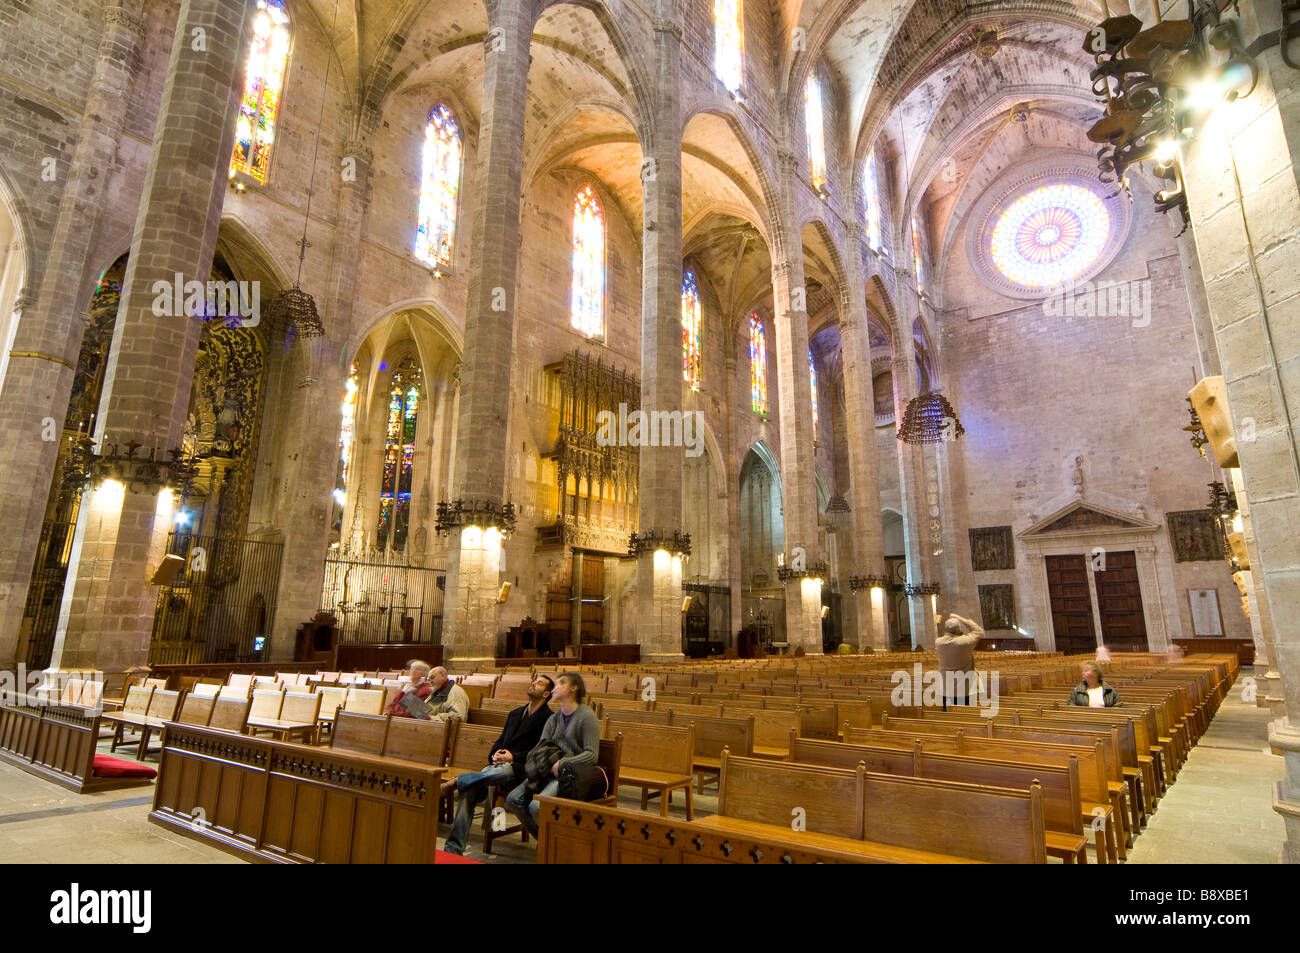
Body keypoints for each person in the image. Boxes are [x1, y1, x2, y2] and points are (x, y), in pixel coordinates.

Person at [443, 675, 555, 856]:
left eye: (539, 683)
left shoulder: (549, 719)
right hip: (497, 768)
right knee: (469, 790)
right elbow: (500, 741)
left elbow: (541, 752)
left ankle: (461, 779)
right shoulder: (515, 714)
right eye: (534, 681)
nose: (533, 683)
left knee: (500, 772)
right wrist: (494, 755)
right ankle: (453, 849)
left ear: (546, 694)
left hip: (522, 771)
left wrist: (512, 756)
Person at [505, 672, 599, 839]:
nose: (555, 687)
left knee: (537, 806)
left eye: (561, 683)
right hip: (547, 771)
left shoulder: (586, 716)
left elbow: (592, 755)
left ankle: (552, 847)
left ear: (573, 688)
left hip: (569, 775)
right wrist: (543, 763)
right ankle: (548, 843)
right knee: (513, 799)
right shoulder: (554, 719)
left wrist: (563, 764)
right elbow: (540, 748)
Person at [935, 613, 984, 710]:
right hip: (965, 690)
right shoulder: (964, 642)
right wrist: (960, 618)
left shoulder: (939, 642)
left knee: (949, 717)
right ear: (959, 630)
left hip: (946, 690)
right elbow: (979, 631)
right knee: (965, 719)